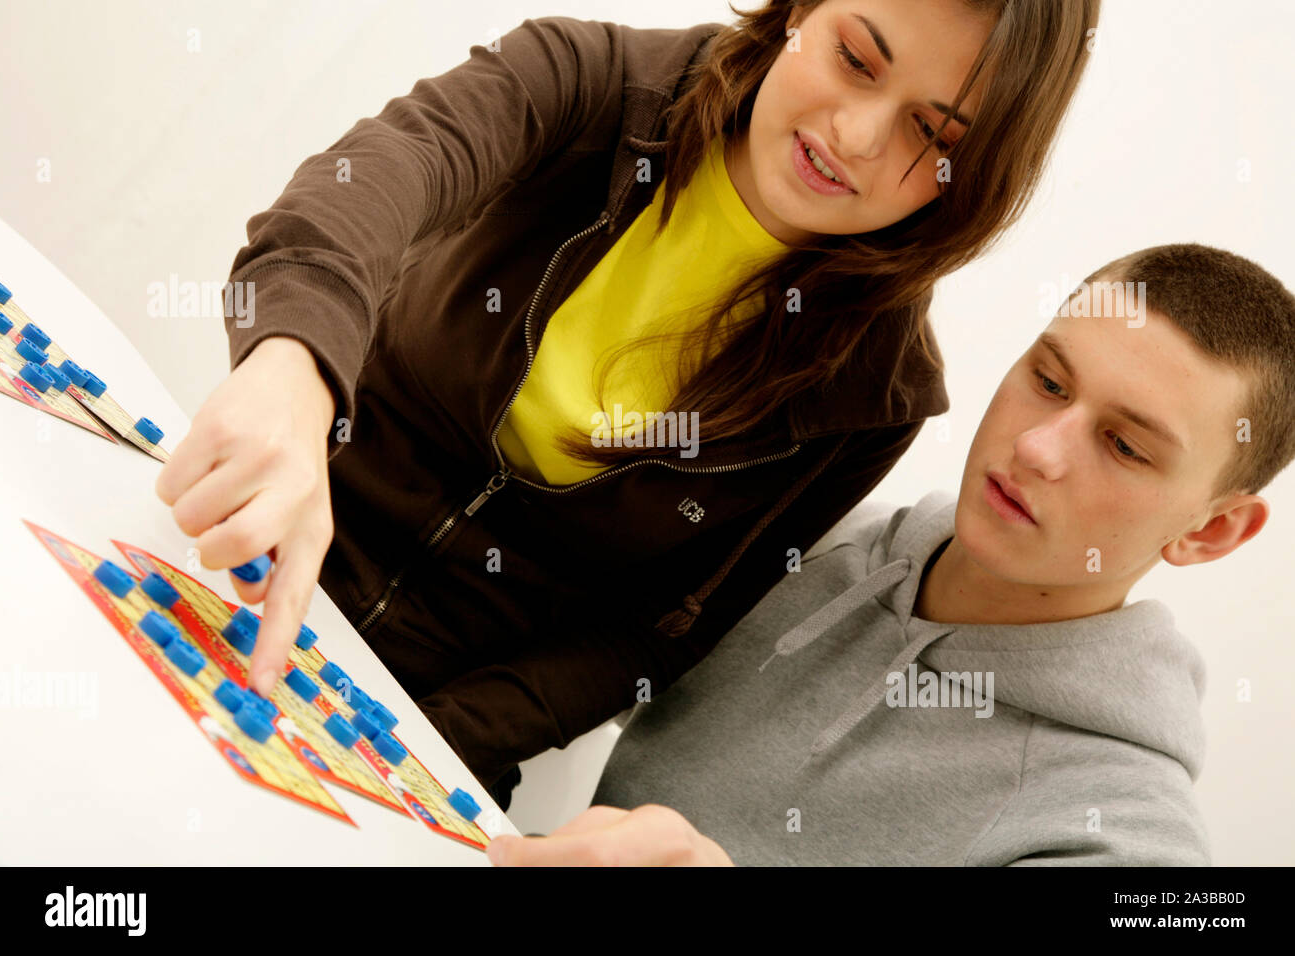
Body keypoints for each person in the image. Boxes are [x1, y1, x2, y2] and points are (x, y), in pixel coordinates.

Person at [154, 0, 1101, 807]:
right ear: (802, 9)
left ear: (967, 179)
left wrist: (420, 740)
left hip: (413, 730)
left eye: (931, 135)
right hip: (231, 549)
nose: (855, 136)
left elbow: (660, 627)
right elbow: (381, 177)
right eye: (855, 58)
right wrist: (291, 370)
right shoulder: (591, 82)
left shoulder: (878, 395)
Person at [485, 243, 1295, 865]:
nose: (1040, 448)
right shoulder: (803, 537)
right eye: (1048, 382)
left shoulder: (1118, 824)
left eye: (1122, 444)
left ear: (1210, 531)